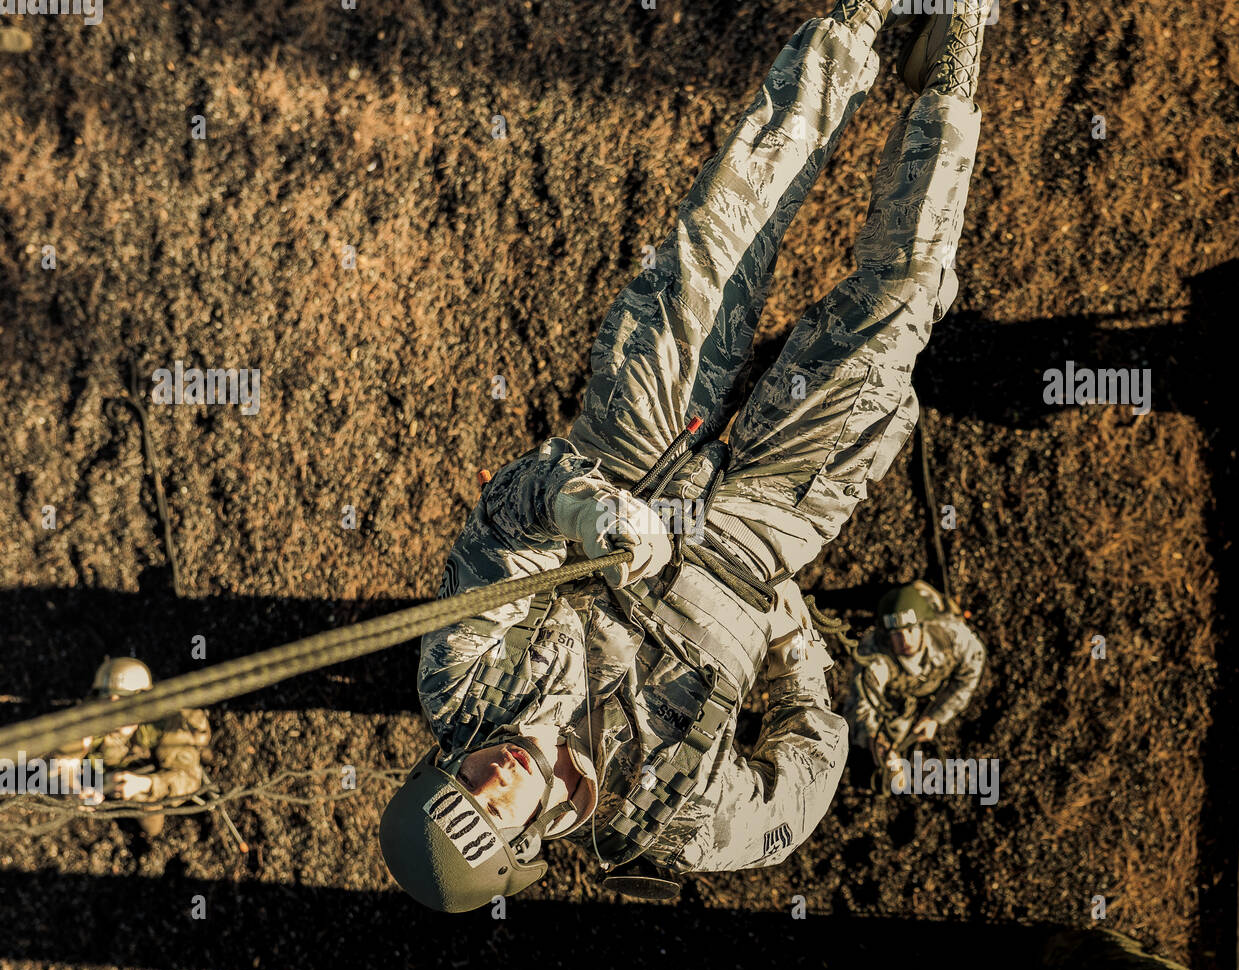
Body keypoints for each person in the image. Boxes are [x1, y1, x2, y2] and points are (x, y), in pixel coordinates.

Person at [381, 0, 994, 911]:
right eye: (489, 808)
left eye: (458, 776)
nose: (489, 774)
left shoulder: (460, 686)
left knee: (723, 230)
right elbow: (806, 778)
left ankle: (859, 26)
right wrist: (790, 638)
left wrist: (585, 512)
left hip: (634, 454)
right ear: (518, 848)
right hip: (759, 540)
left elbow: (505, 515)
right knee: (896, 307)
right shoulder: (669, 824)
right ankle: (954, 66)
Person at [844, 581, 986, 785]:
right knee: (884, 744)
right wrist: (874, 739)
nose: (905, 640)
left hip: (933, 681)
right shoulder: (875, 656)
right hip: (898, 695)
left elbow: (971, 670)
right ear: (887, 635)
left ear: (922, 625)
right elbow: (861, 703)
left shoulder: (950, 635)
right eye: (897, 634)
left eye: (910, 630)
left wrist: (935, 717)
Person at [48, 657, 209, 836]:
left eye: (125, 705)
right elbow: (60, 764)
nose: (117, 715)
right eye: (109, 704)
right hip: (100, 777)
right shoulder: (84, 722)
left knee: (152, 825)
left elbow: (190, 778)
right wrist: (74, 790)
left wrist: (146, 784)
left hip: (144, 776)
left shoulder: (166, 723)